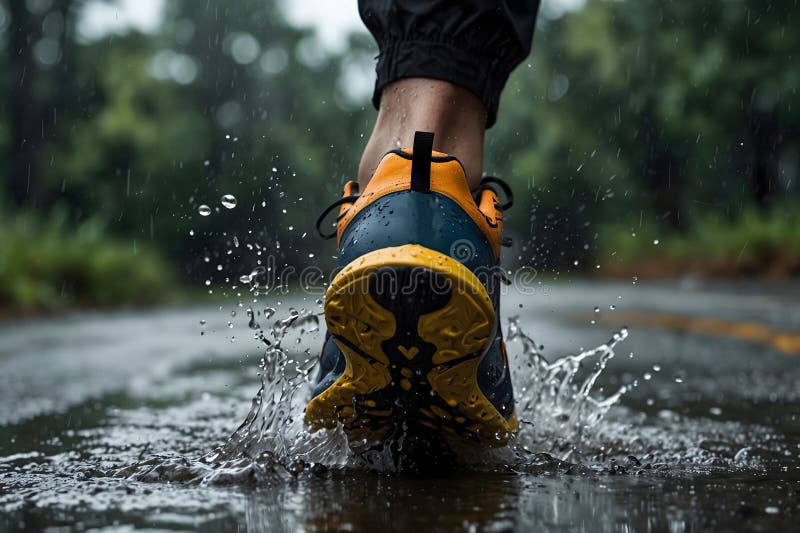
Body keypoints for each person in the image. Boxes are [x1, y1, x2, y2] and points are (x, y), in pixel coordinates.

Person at [306, 0, 541, 450]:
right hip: (454, 232)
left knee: (407, 98)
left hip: (378, 223)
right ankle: (450, 220)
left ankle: (377, 223)